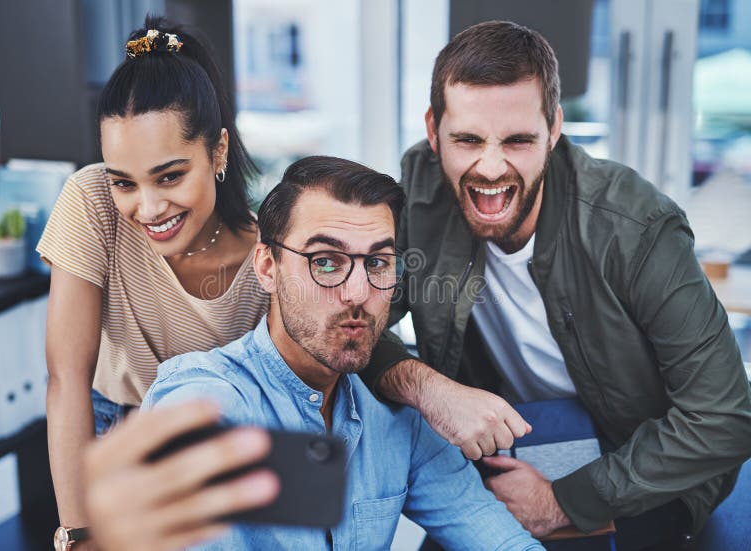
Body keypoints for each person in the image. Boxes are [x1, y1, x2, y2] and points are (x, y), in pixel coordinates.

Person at [359, 20, 751, 550]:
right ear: (434, 132)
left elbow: (726, 416)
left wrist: (563, 502)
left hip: (635, 469)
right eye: (467, 139)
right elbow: (355, 322)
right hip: (511, 457)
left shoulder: (636, 226)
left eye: (518, 140)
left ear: (554, 129)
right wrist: (430, 389)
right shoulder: (422, 196)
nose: (490, 166)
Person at [84, 156, 543, 551]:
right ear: (268, 268)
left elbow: (502, 541)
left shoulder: (400, 422)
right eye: (326, 261)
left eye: (378, 262)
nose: (359, 292)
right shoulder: (210, 403)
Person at [37, 16, 269, 548]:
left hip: (219, 446)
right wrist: (79, 533)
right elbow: (66, 376)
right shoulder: (91, 202)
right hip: (109, 431)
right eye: (125, 181)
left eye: (170, 176)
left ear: (218, 152)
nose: (147, 208)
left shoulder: (268, 253)